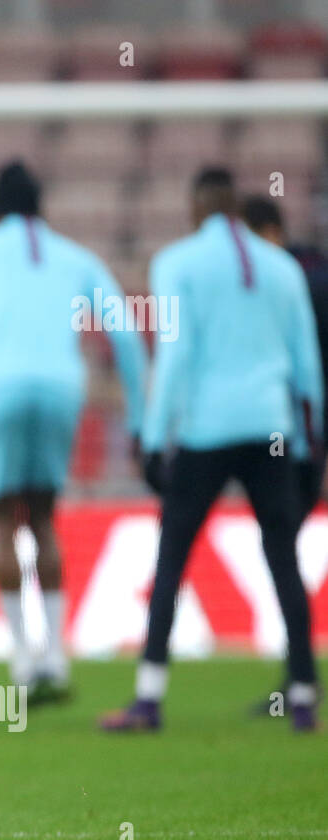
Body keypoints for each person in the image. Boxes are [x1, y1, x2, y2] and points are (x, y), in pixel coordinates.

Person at [101, 168, 322, 733]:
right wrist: (311, 437)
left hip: (206, 430)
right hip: (271, 427)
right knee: (282, 559)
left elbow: (174, 357)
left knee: (173, 559)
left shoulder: (178, 262)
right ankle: (302, 695)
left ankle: (149, 698)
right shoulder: (283, 268)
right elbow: (305, 359)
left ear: (195, 207)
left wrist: (152, 438)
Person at [0, 161, 147, 702]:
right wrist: (140, 418)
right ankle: (56, 654)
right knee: (46, 517)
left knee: (4, 517)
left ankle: (23, 661)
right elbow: (124, 333)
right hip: (61, 389)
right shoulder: (76, 257)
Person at [242, 195, 328, 718]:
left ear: (269, 232)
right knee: (282, 550)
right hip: (303, 430)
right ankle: (298, 677)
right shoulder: (308, 273)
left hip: (301, 433)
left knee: (281, 550)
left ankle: (300, 681)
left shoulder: (289, 280)